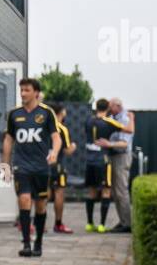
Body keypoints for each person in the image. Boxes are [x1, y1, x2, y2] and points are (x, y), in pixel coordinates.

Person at [2, 78, 61, 257]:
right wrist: (5, 164)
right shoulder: (14, 114)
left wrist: (54, 152)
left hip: (41, 167)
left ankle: (39, 243)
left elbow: (56, 137)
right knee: (24, 199)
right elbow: (9, 139)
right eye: (21, 90)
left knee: (41, 205)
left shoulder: (47, 113)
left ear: (36, 92)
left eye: (26, 90)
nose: (23, 93)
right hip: (22, 166)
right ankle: (26, 243)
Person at [83, 99, 125, 232]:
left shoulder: (88, 121)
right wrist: (131, 119)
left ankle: (89, 223)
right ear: (107, 108)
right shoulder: (108, 122)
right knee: (106, 190)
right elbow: (128, 130)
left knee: (91, 191)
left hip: (89, 160)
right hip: (103, 161)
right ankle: (101, 225)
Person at [107, 97, 135, 233]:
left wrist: (109, 144)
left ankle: (127, 223)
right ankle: (123, 220)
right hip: (115, 156)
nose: (108, 108)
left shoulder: (124, 119)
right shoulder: (114, 118)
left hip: (121, 157)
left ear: (117, 106)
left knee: (121, 190)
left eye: (110, 106)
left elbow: (124, 143)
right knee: (116, 191)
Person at [49, 102, 77, 234]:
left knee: (43, 194)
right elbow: (67, 150)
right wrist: (74, 146)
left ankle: (39, 224)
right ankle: (58, 224)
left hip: (41, 164)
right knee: (59, 192)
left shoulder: (42, 126)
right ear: (61, 112)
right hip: (57, 165)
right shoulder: (61, 128)